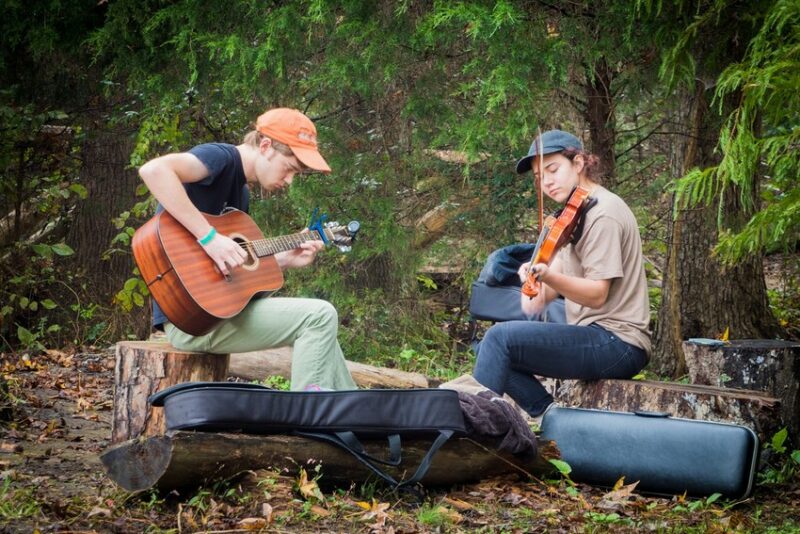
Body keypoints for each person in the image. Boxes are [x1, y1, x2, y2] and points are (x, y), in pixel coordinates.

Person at [138, 107, 357, 391]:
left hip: (217, 314)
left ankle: (357, 414)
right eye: (289, 168)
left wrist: (282, 260)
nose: (289, 181)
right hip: (191, 322)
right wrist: (209, 237)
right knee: (319, 315)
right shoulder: (221, 158)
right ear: (265, 146)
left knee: (322, 329)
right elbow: (154, 170)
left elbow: (231, 273)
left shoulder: (240, 193)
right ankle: (310, 417)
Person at [472, 129, 650, 418]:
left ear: (578, 163)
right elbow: (535, 304)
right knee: (488, 351)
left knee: (498, 338)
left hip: (620, 343)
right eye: (540, 177)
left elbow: (597, 294)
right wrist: (534, 274)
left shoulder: (603, 213)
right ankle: (551, 418)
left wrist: (549, 276)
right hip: (594, 337)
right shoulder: (568, 221)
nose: (547, 182)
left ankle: (475, 426)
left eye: (553, 170)